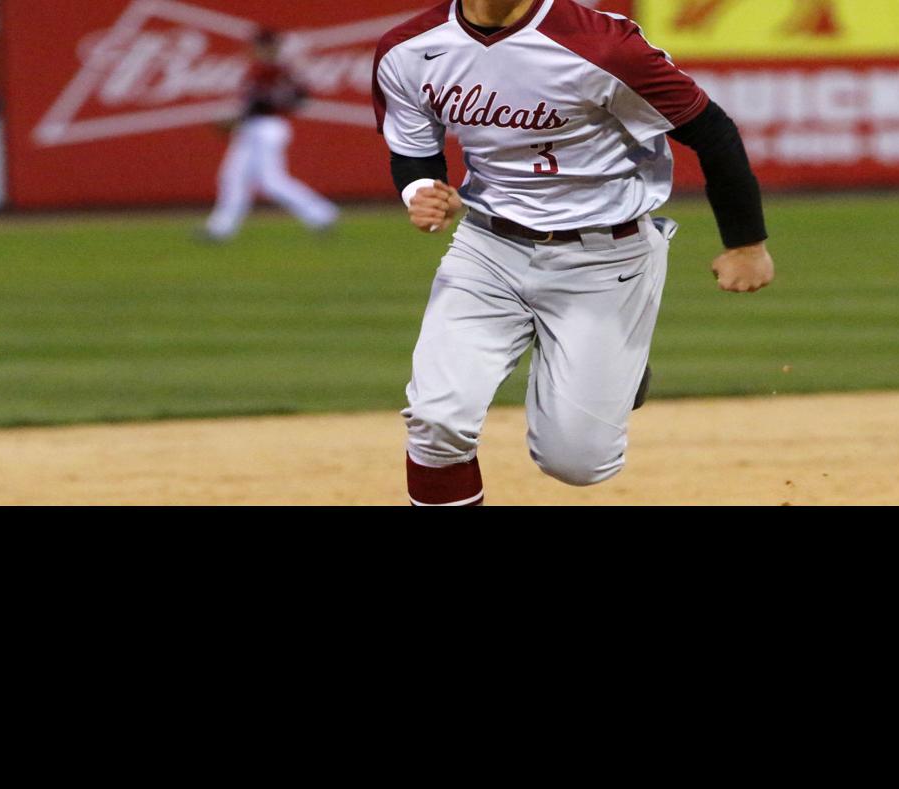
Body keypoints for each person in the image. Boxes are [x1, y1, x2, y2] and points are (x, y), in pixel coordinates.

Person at [374, 0, 774, 506]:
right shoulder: (408, 49)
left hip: (605, 257)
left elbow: (711, 130)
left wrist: (745, 243)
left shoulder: (603, 45)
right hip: (488, 247)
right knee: (436, 420)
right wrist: (420, 192)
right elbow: (413, 153)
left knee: (577, 463)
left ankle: (619, 372)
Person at [201, 30, 340, 241]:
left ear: (269, 47)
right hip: (259, 126)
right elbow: (300, 97)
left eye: (259, 46)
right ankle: (220, 229)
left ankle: (322, 213)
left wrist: (236, 118)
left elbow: (263, 101)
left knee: (271, 181)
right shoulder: (281, 70)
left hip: (264, 126)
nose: (254, 50)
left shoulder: (267, 70)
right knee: (233, 177)